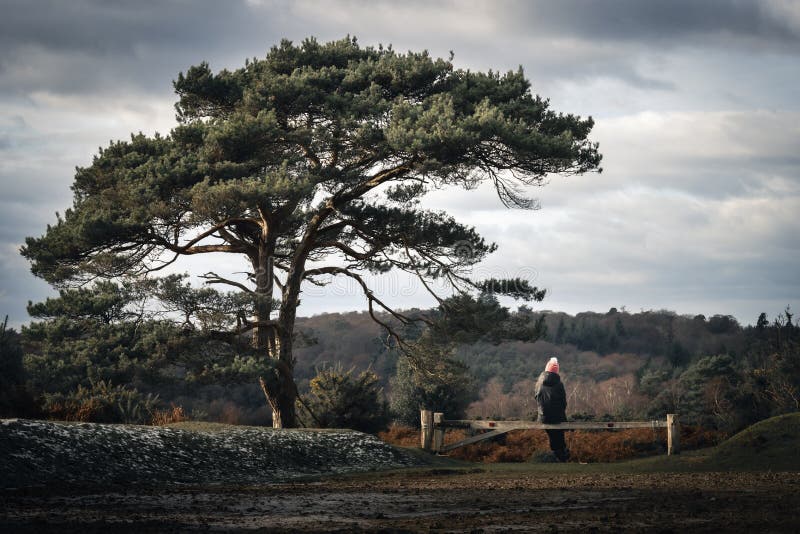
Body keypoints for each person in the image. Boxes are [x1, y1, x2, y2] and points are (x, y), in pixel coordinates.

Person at [535, 357, 569, 462]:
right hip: (558, 417)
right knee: (559, 437)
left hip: (543, 417)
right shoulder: (559, 384)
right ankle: (562, 456)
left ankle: (558, 455)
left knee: (553, 436)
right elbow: (564, 402)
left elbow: (536, 398)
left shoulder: (538, 384)